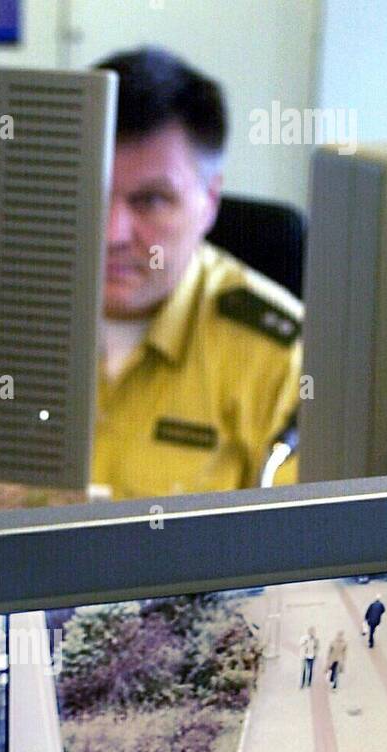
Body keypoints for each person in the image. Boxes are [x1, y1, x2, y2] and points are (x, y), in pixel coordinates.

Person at [92, 47, 304, 502]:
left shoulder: (281, 359)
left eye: (150, 200)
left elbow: (307, 555)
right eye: (90, 191)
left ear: (210, 199)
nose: (112, 234)